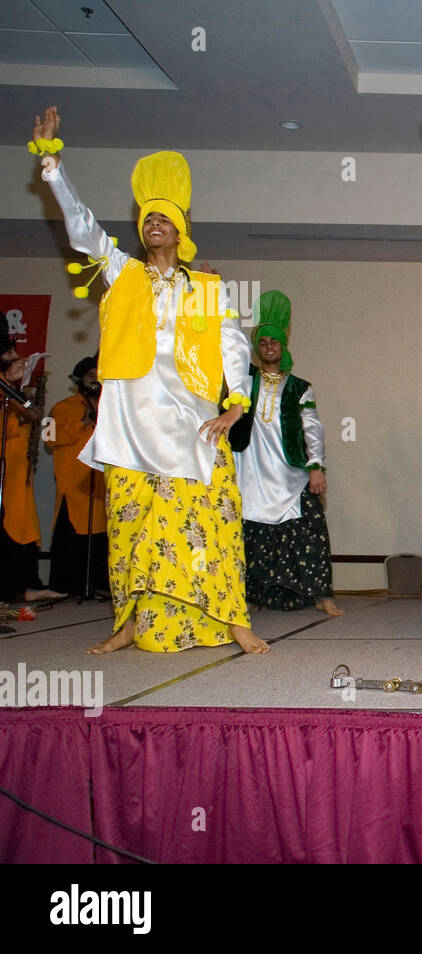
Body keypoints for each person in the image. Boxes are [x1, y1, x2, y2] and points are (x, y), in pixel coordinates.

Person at [31, 106, 267, 654]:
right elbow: (83, 228)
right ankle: (132, 621)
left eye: (163, 218)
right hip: (133, 425)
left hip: (193, 420)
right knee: (136, 527)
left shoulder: (207, 289)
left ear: (181, 230)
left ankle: (233, 618)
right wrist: (52, 167)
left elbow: (234, 347)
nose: (153, 224)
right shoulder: (124, 274)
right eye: (146, 219)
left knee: (214, 522)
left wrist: (235, 404)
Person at [230, 291, 342, 617]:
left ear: (283, 347)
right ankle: (253, 596)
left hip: (290, 471)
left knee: (311, 532)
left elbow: (312, 428)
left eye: (274, 342)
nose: (268, 346)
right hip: (250, 469)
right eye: (263, 341)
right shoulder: (242, 381)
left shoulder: (299, 387)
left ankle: (322, 595)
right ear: (257, 347)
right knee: (253, 538)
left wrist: (316, 467)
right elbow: (228, 344)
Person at [1, 336, 62, 603]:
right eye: (11, 354)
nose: (17, 358)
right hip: (5, 477)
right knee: (8, 529)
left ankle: (26, 585)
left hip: (18, 474)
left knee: (24, 529)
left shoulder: (11, 393)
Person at [45, 355, 109, 596]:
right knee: (70, 535)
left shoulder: (108, 407)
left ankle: (99, 583)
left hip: (101, 483)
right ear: (78, 380)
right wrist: (81, 423)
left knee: (101, 534)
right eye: (90, 377)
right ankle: (70, 585)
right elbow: (47, 438)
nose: (94, 382)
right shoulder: (61, 408)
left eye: (98, 377)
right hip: (73, 486)